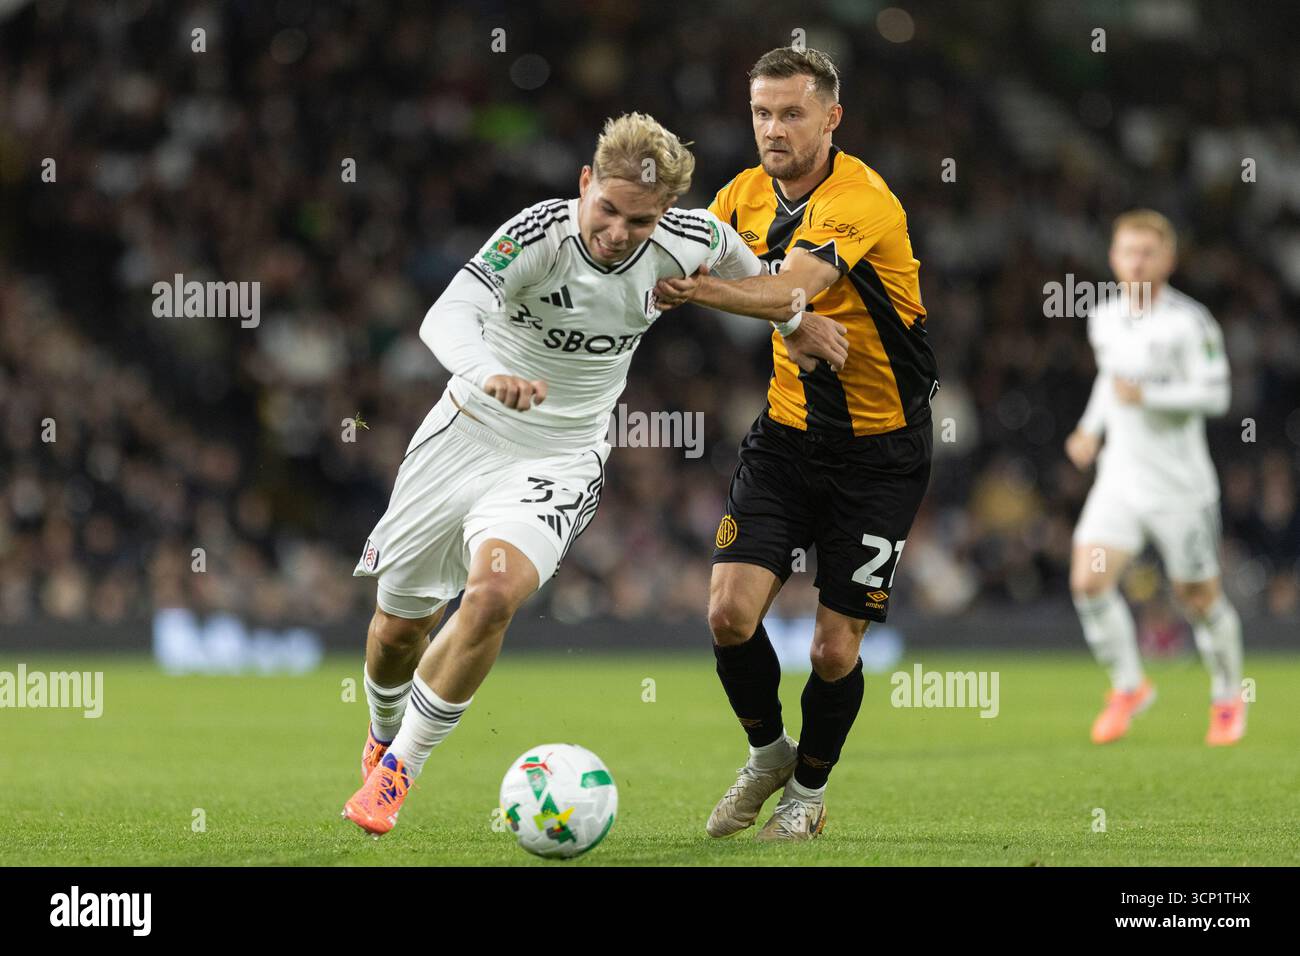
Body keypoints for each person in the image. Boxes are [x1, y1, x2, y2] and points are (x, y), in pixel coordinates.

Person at [342, 112, 847, 836]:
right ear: (585, 183)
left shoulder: (693, 239)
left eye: (638, 221)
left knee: (491, 594)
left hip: (561, 454)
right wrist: (491, 372)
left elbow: (764, 284)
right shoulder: (535, 234)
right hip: (465, 432)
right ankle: (382, 733)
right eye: (606, 209)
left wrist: (791, 322)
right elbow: (445, 318)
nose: (616, 231)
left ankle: (399, 772)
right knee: (399, 629)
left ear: (665, 214)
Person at [655, 47, 939, 841]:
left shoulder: (863, 198)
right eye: (760, 113)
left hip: (883, 453)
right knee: (726, 615)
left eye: (791, 113)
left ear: (831, 117)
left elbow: (791, 286)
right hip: (785, 439)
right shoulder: (739, 196)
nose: (773, 130)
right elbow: (673, 257)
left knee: (832, 651)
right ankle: (769, 753)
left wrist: (725, 294)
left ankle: (807, 795)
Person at [1066, 209, 1244, 747]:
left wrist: (1151, 396)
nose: (1136, 261)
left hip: (1180, 488)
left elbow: (1217, 396)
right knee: (1088, 581)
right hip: (1120, 480)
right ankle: (1129, 686)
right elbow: (1109, 380)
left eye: (1147, 251)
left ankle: (1228, 695)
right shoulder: (1104, 317)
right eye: (1127, 251)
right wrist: (1089, 429)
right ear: (1114, 258)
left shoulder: (1191, 323)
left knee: (1198, 596)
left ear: (1168, 259)